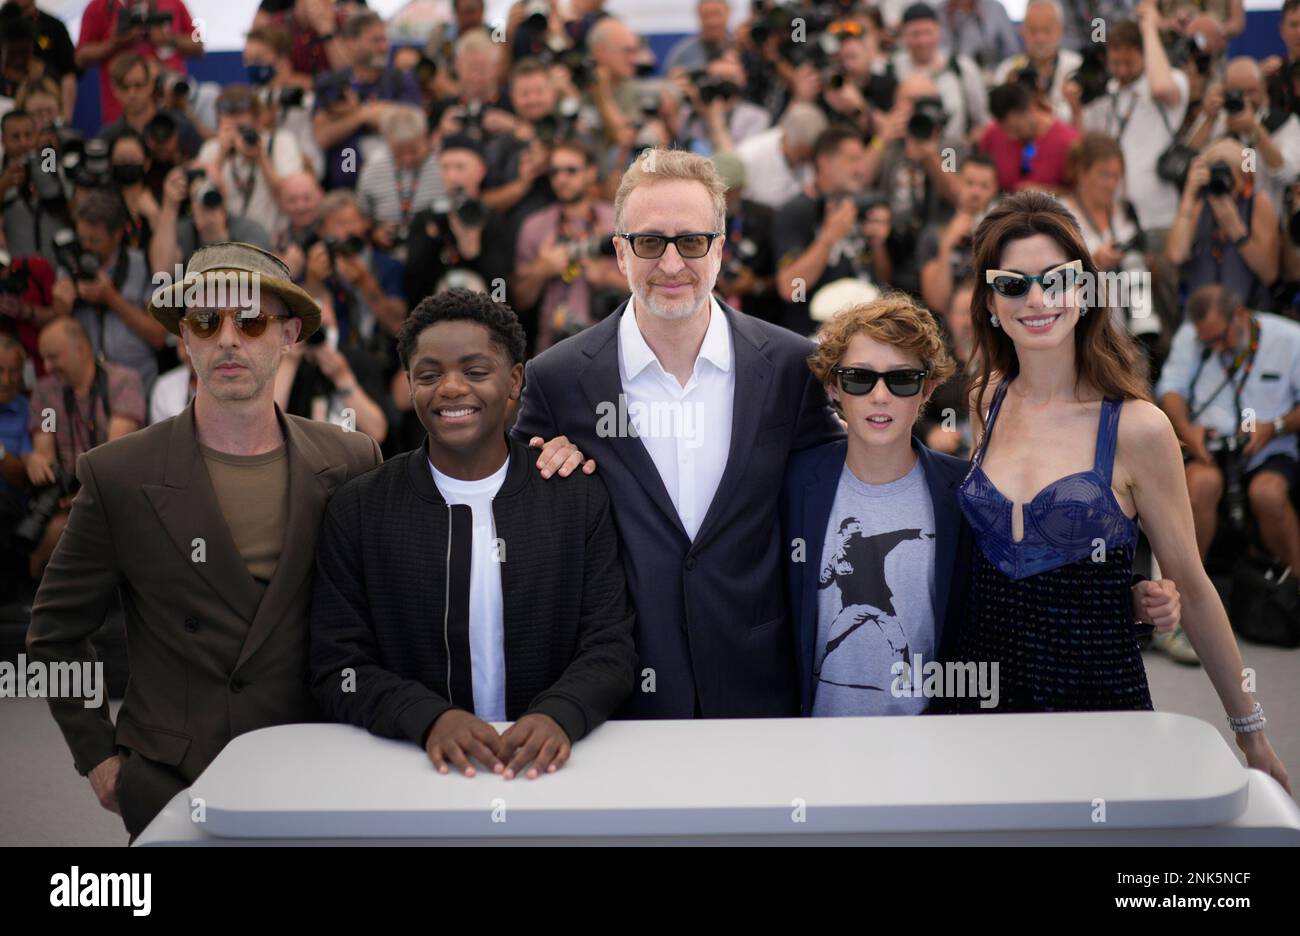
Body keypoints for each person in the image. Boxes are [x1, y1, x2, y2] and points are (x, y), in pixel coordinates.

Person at [25, 242, 382, 840]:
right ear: (183, 338)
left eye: (250, 320)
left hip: (313, 768)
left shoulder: (349, 460)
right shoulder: (117, 473)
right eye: (205, 320)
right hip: (171, 783)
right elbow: (54, 631)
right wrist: (100, 760)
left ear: (290, 334)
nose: (228, 339)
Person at [941, 190, 1290, 793]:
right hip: (979, 716)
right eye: (1012, 283)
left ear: (1085, 289)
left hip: (1097, 713)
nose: (1037, 298)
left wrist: (1252, 737)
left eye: (1057, 279)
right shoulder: (985, 400)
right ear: (990, 301)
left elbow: (1195, 586)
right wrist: (1126, 596)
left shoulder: (1137, 427)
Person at [512, 147, 844, 718]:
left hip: (761, 690)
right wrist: (545, 466)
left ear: (720, 248)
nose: (670, 264)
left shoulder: (792, 366)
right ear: (619, 252)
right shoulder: (558, 379)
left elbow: (831, 492)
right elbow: (524, 517)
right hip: (620, 696)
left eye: (691, 241)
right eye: (649, 242)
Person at [310, 289, 636, 778]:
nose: (451, 388)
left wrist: (560, 713)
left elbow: (610, 646)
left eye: (476, 371)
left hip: (553, 770)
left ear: (514, 381)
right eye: (429, 374)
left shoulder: (575, 497)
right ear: (410, 384)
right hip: (411, 771)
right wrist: (428, 719)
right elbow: (338, 666)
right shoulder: (359, 508)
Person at [1157, 284, 1300, 575]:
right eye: (1208, 343)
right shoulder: (1191, 336)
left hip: (1267, 449)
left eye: (1221, 338)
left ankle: (1294, 584)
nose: (1217, 348)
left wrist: (1276, 426)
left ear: (1239, 315)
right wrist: (1186, 429)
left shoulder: (1289, 338)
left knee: (1268, 493)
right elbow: (1170, 389)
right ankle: (1183, 590)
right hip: (1210, 448)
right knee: (1199, 486)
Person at [23, 316, 144, 580]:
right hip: (65, 495)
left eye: (54, 357)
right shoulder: (47, 392)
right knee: (44, 533)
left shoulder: (121, 381)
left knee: (66, 531)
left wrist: (83, 494)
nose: (47, 366)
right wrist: (37, 463)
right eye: (43, 358)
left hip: (113, 492)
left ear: (81, 350)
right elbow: (44, 449)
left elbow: (115, 455)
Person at [773, 127, 893, 335]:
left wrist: (880, 245)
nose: (861, 169)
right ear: (825, 162)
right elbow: (791, 288)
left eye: (862, 160)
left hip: (868, 331)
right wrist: (828, 238)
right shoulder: (797, 211)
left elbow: (885, 282)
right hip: (815, 336)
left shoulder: (863, 206)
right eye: (853, 160)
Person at [49, 190, 164, 393]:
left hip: (138, 381)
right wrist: (61, 308)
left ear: (117, 234)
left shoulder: (143, 265)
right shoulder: (70, 263)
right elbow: (57, 330)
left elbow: (158, 336)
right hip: (87, 387)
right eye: (82, 238)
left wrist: (111, 299)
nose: (86, 247)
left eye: (94, 240)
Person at [513, 140, 622, 351]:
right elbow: (517, 300)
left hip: (611, 344)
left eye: (571, 171)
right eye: (554, 172)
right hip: (552, 348)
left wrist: (608, 278)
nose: (561, 179)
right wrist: (541, 270)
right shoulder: (534, 226)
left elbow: (650, 286)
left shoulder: (617, 220)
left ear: (591, 172)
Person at [1165, 140, 1280, 312]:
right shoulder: (1199, 205)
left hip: (1246, 314)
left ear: (1243, 177)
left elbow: (1269, 274)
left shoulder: (1256, 204)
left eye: (1229, 174)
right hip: (1202, 318)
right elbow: (1176, 256)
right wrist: (1189, 195)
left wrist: (1236, 229)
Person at [195, 85, 303, 239]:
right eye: (229, 128)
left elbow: (289, 197)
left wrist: (261, 157)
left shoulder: (281, 142)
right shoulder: (211, 149)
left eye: (242, 128)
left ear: (258, 121)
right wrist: (221, 155)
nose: (238, 135)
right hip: (227, 240)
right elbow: (201, 198)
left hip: (271, 240)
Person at [75, 0, 204, 125]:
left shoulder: (173, 3)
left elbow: (198, 46)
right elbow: (80, 57)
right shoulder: (101, 6)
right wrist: (114, 43)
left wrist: (169, 39)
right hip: (120, 114)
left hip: (171, 107)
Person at [919, 152, 999, 315]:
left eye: (984, 186)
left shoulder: (1001, 234)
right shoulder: (933, 234)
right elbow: (937, 303)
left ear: (994, 190)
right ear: (957, 183)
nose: (976, 192)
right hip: (947, 325)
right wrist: (947, 244)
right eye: (969, 183)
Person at [979, 80, 1079, 194]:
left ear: (1031, 109)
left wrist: (1047, 191)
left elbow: (1081, 194)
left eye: (1017, 129)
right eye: (1005, 130)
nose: (1012, 137)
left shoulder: (1068, 141)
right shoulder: (992, 133)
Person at [993, 0, 1083, 124]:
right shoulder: (1007, 70)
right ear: (1022, 31)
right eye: (1033, 31)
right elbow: (997, 122)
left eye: (1046, 30)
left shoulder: (1076, 66)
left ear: (1060, 30)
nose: (1040, 38)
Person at [734, 102, 827, 211]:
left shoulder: (817, 155)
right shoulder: (747, 156)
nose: (808, 161)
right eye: (802, 157)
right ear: (786, 138)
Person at [3, 0, 78, 125]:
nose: (18, 58)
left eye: (23, 50)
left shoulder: (54, 27)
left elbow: (68, 74)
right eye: (13, 51)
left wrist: (65, 119)